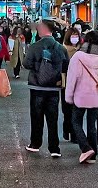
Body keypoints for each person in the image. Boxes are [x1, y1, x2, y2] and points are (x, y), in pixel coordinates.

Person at [24, 20, 69, 157]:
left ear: (43, 29)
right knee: (52, 118)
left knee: (36, 116)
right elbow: (66, 66)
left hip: (37, 86)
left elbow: (26, 64)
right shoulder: (61, 48)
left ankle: (35, 144)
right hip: (53, 88)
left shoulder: (34, 47)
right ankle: (54, 148)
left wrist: (39, 69)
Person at [64, 31, 98, 164]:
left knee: (76, 122)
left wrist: (69, 97)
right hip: (96, 97)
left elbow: (72, 79)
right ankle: (93, 155)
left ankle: (86, 148)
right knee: (91, 125)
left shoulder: (78, 56)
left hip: (80, 96)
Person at [61, 25, 83, 141]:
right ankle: (66, 128)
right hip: (66, 83)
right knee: (67, 109)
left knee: (76, 110)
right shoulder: (63, 49)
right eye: (73, 35)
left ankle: (74, 134)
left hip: (80, 83)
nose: (75, 38)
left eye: (77, 35)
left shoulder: (82, 49)